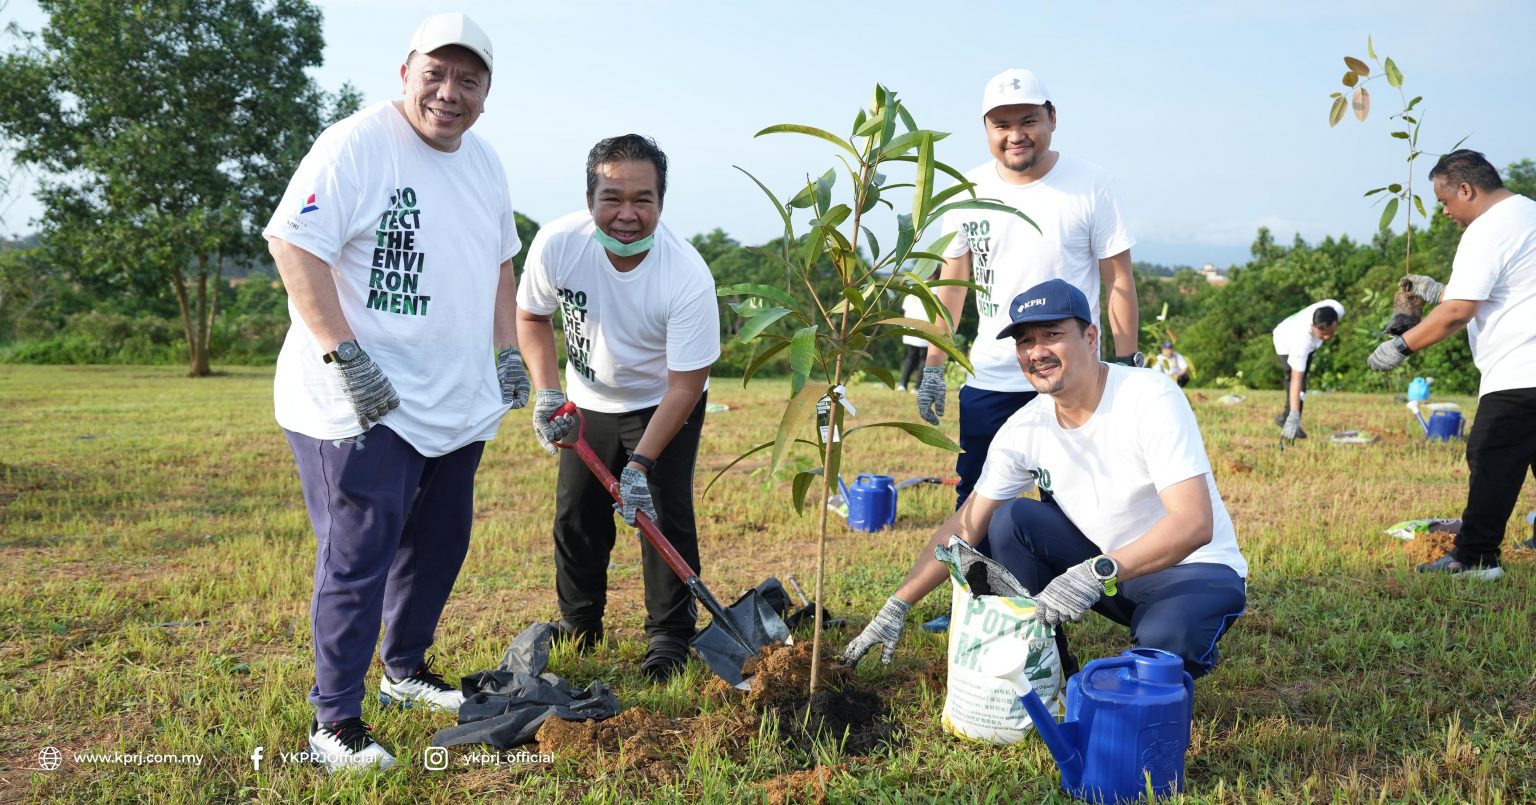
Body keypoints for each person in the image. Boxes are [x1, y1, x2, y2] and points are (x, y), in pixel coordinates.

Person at [264, 13, 523, 770]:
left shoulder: (484, 163)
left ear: (486, 92)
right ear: (405, 72)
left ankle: (405, 670)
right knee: (359, 555)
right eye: (434, 74)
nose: (449, 92)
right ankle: (333, 721)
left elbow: (503, 262)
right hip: (359, 401)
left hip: (453, 398)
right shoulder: (357, 143)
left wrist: (506, 351)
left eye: (466, 79)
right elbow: (293, 244)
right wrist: (347, 357)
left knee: (438, 545)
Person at [844, 279, 1247, 680]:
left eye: (1052, 335)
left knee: (1158, 658)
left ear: (1090, 338)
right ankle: (1051, 669)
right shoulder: (1025, 428)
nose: (1036, 352)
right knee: (1011, 519)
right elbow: (963, 526)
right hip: (1108, 575)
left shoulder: (1149, 396)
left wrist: (1096, 573)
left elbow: (1194, 524)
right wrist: (898, 603)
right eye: (1024, 341)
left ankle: (1169, 653)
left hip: (1194, 569)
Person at [516, 134, 720, 683]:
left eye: (643, 200)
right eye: (613, 198)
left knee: (662, 518)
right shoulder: (558, 244)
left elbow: (687, 383)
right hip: (586, 402)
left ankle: (669, 638)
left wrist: (641, 465)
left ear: (661, 202)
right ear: (590, 199)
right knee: (576, 517)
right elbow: (532, 317)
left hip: (662, 403)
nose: (627, 215)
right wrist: (548, 392)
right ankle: (581, 626)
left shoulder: (686, 275)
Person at [917, 68, 1139, 511]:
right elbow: (952, 288)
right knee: (977, 496)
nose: (1015, 135)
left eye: (1028, 121)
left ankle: (1067, 583)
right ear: (986, 129)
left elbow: (1118, 279)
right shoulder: (968, 191)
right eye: (1002, 125)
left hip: (1072, 376)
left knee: (1074, 502)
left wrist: (1127, 362)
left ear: (1052, 118)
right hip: (993, 375)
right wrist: (934, 368)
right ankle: (972, 582)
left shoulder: (1090, 184)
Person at [1368, 149, 1536, 580]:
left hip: (1521, 369)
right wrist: (1439, 290)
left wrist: (1401, 346)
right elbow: (1506, 292)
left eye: (1445, 201)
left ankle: (1475, 557)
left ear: (1467, 189)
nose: (1443, 211)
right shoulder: (1527, 214)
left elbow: (1460, 312)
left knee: (1490, 454)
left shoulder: (1488, 229)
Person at [1270, 299, 1344, 441]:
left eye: (1330, 333)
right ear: (1313, 326)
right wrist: (1294, 414)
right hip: (1284, 339)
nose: (1327, 337)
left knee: (1301, 384)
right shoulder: (1302, 341)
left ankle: (1288, 418)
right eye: (1322, 335)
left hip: (1308, 343)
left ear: (1335, 322)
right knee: (1293, 380)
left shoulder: (1336, 308)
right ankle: (1290, 418)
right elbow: (1296, 379)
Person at [897, 289, 936, 392]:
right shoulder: (936, 289)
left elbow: (905, 307)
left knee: (910, 357)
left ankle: (903, 384)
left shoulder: (913, 289)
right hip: (926, 328)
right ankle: (917, 386)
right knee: (924, 358)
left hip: (911, 327)